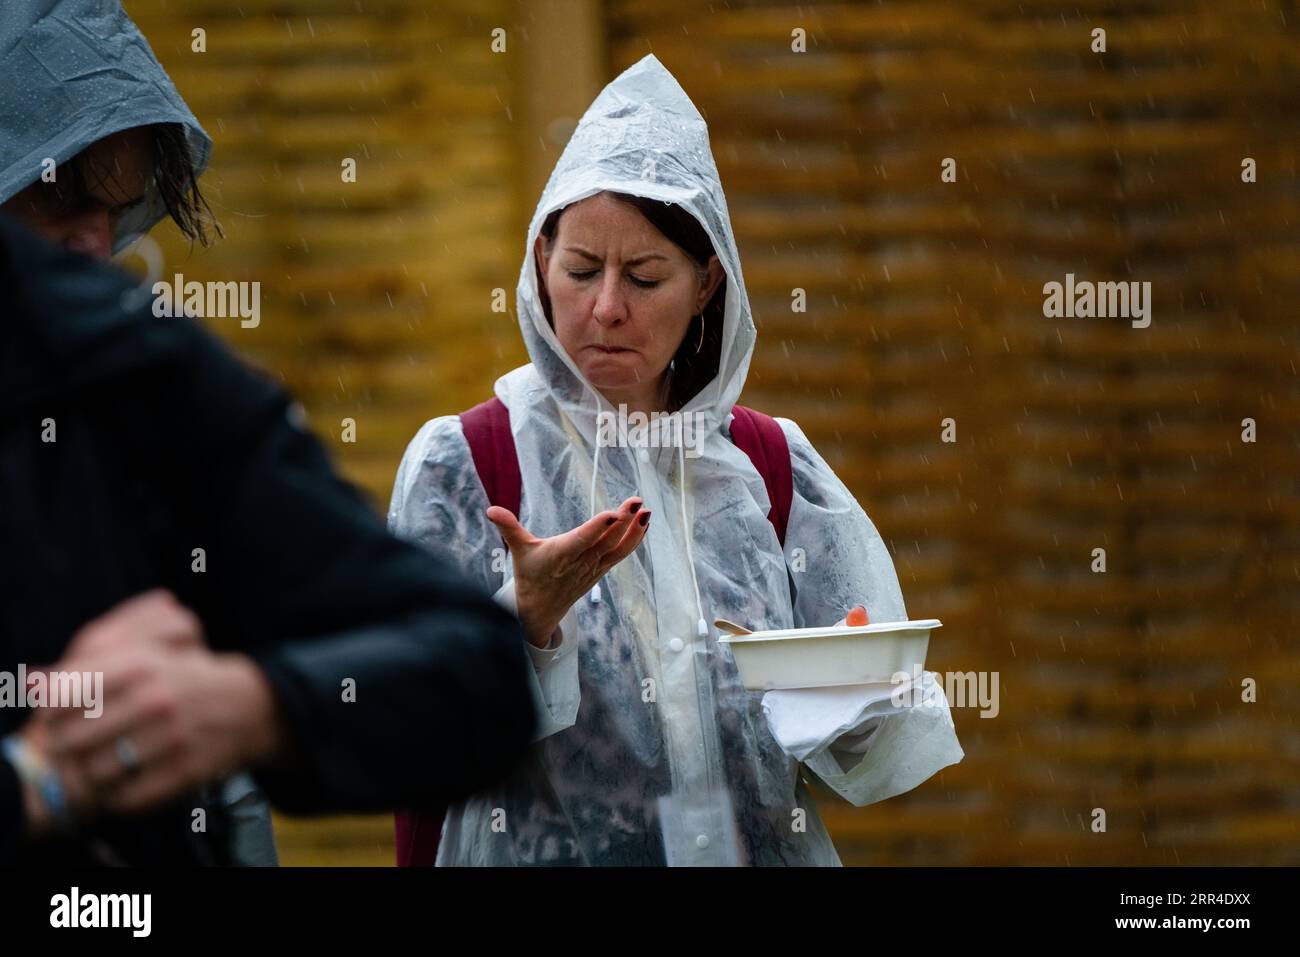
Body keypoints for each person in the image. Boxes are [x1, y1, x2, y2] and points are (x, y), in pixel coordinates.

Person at [388, 54, 964, 866]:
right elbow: (390, 728)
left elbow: (872, 752)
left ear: (706, 287)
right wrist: (519, 621)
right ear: (539, 261)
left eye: (647, 276)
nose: (607, 307)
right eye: (580, 270)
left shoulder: (768, 467)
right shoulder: (469, 465)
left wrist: (857, 694)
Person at [0, 2, 538, 867]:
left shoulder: (136, 378)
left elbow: (471, 670)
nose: (93, 243)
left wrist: (252, 703)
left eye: (123, 205)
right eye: (59, 192)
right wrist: (37, 779)